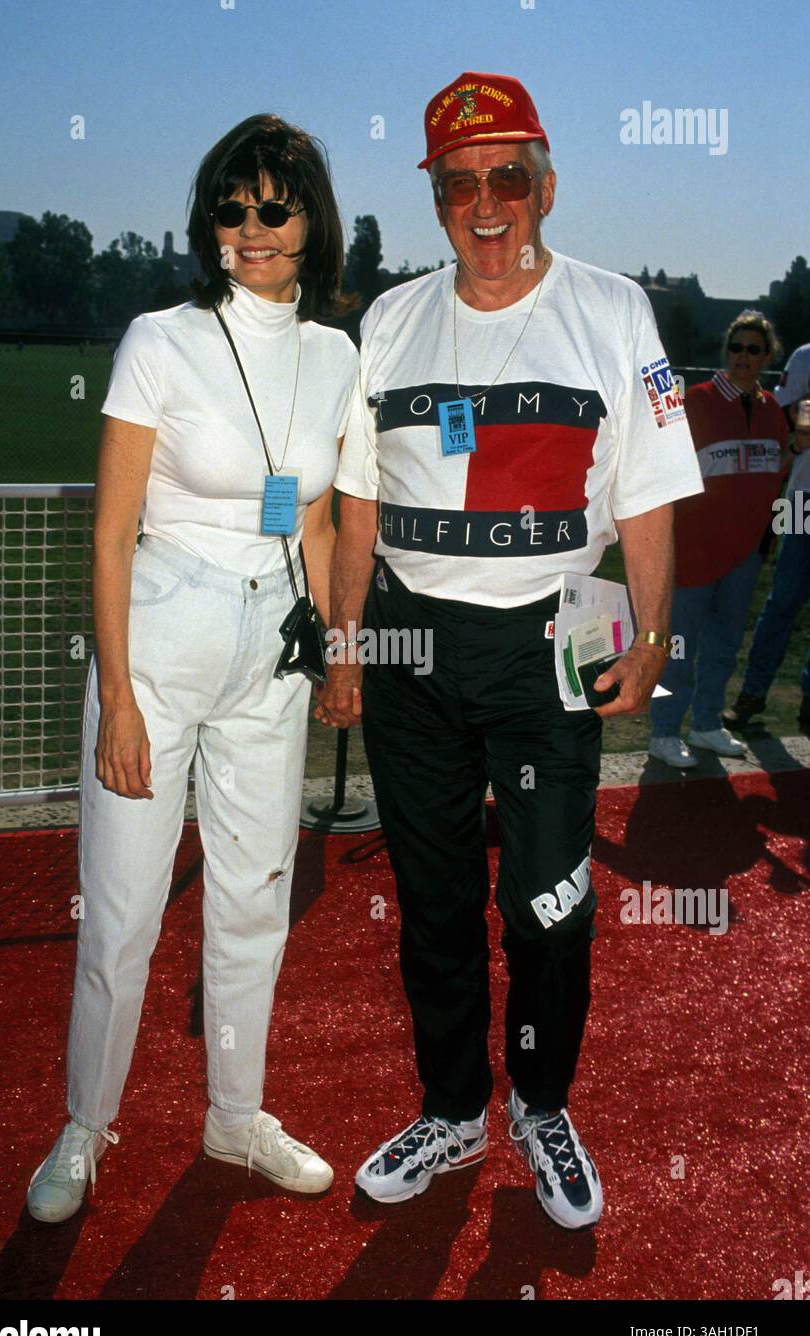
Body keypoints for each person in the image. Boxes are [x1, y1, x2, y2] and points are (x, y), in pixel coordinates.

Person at [315, 72, 702, 1229]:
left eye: (508, 179)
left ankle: (540, 1099)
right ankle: (452, 1105)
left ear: (546, 184)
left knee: (548, 902)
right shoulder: (386, 320)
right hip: (413, 651)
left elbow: (646, 496)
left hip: (554, 638)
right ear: (436, 198)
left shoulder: (618, 312)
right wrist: (345, 647)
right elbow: (355, 504)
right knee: (432, 901)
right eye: (459, 185)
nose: (486, 205)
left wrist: (654, 630)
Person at [26, 114, 359, 1222]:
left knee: (255, 899)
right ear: (207, 223)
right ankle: (86, 1124)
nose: (252, 229)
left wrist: (338, 651)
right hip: (161, 644)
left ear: (312, 221)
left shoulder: (334, 356)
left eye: (274, 207)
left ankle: (234, 1113)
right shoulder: (158, 339)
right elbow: (111, 530)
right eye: (232, 208)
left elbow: (313, 519)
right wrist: (118, 694)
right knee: (121, 911)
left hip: (270, 652)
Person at [648, 312, 807, 768]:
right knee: (678, 645)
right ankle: (663, 731)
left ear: (767, 358)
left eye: (753, 349)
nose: (743, 356)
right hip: (693, 550)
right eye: (737, 347)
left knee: (722, 646)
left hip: (743, 554)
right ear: (727, 351)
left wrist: (796, 447)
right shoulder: (696, 400)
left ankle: (705, 724)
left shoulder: (773, 410)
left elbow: (771, 469)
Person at [725, 395, 810, 733]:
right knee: (781, 603)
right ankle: (752, 692)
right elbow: (789, 419)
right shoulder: (804, 357)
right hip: (802, 500)